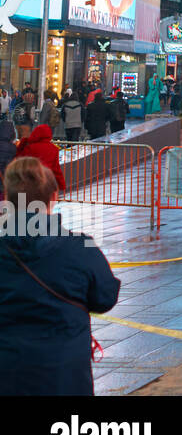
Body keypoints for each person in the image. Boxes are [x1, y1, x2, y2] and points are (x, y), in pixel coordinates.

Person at [0, 157, 121, 395]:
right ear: (53, 197)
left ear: (8, 199)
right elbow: (105, 297)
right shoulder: (81, 246)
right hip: (64, 376)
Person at [15, 123, 65, 190]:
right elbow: (56, 168)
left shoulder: (30, 147)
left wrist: (23, 143)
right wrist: (61, 184)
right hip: (46, 181)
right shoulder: (54, 149)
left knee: (24, 198)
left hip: (31, 179)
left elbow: (19, 158)